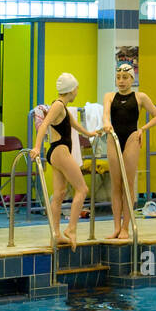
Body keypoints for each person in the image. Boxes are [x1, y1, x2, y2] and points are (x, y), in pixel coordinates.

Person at [32, 72, 100, 249]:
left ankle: (56, 235)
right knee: (82, 189)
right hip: (60, 151)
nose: (78, 90)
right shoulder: (58, 105)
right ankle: (71, 229)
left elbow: (73, 125)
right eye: (77, 87)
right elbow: (44, 125)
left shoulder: (63, 106)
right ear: (72, 90)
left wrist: (90, 134)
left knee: (60, 193)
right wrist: (37, 147)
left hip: (57, 152)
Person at [101, 62, 156, 241]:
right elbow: (106, 114)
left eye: (125, 78)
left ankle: (126, 227)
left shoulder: (140, 97)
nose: (121, 81)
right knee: (115, 184)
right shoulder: (109, 96)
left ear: (132, 79)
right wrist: (106, 123)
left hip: (131, 138)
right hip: (113, 138)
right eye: (118, 78)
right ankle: (116, 227)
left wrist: (142, 129)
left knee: (128, 183)